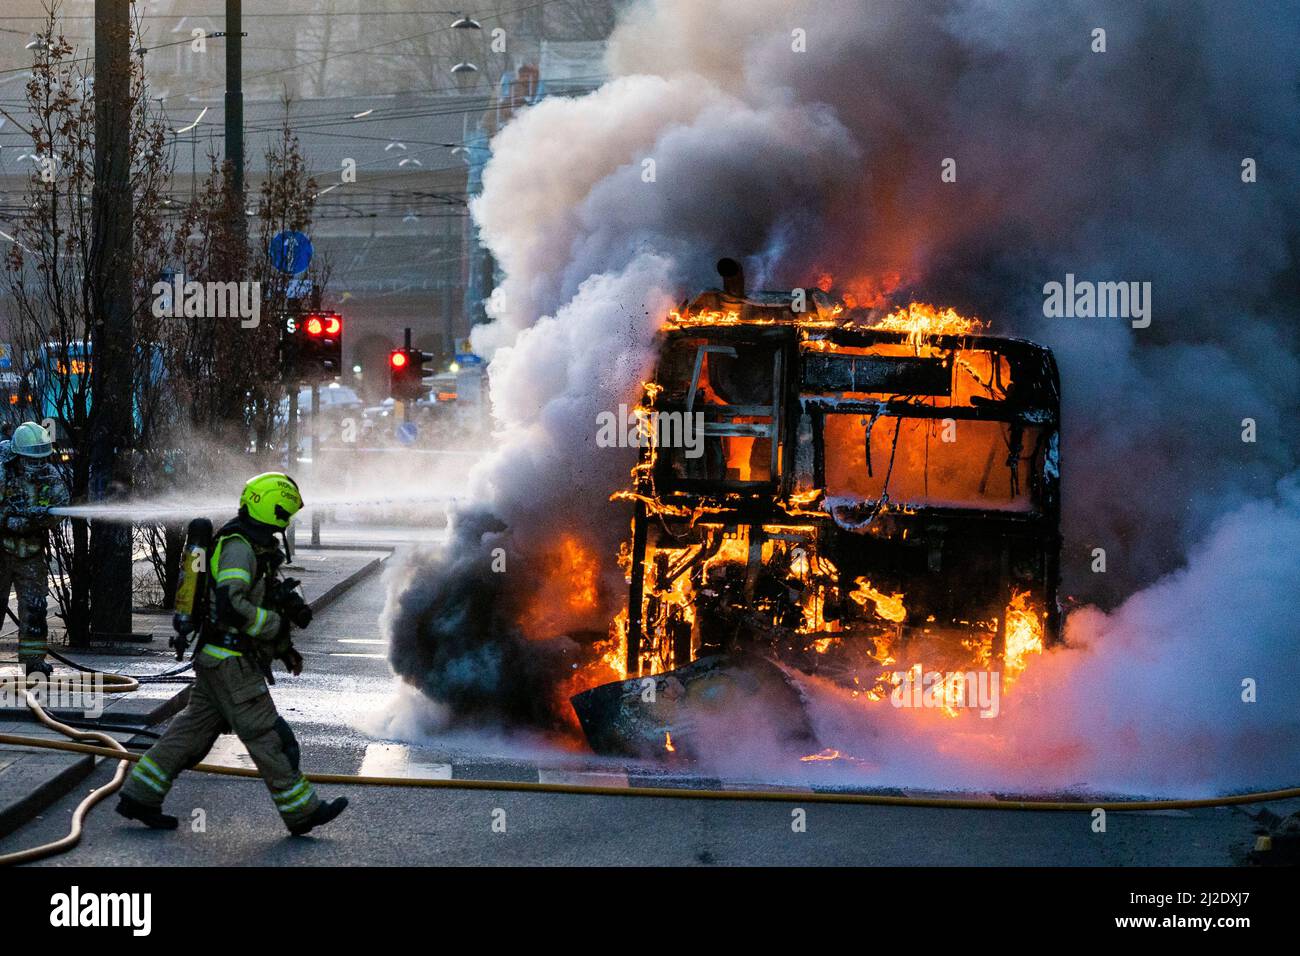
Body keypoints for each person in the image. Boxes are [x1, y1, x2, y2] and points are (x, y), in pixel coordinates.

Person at [116, 472, 348, 836]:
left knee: (190, 736)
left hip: (219, 660)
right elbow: (230, 604)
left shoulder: (255, 544)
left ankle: (140, 795)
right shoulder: (240, 546)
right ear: (272, 509)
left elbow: (257, 599)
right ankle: (302, 812)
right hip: (232, 664)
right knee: (271, 738)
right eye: (285, 513)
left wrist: (285, 650)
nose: (287, 520)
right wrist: (273, 625)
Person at [0, 421, 69, 677]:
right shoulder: (2, 471)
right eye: (31, 460)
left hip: (30, 551)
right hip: (1, 550)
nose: (37, 466)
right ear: (18, 456)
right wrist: (9, 519)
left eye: (41, 460)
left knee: (35, 607)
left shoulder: (48, 475)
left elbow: (61, 503)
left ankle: (33, 661)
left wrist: (41, 518)